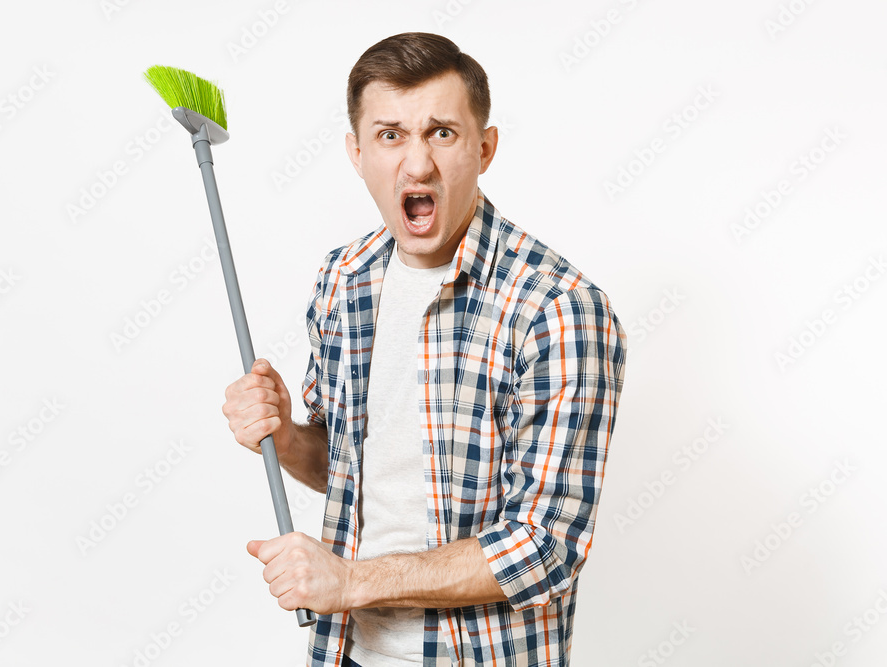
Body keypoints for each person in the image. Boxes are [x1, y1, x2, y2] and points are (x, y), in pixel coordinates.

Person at [222, 32, 627, 667]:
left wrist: (351, 581)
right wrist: (284, 434)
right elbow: (348, 471)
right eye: (390, 135)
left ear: (485, 147)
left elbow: (547, 547)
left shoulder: (556, 309)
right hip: (347, 652)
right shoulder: (343, 279)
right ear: (356, 153)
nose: (416, 165)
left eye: (441, 132)